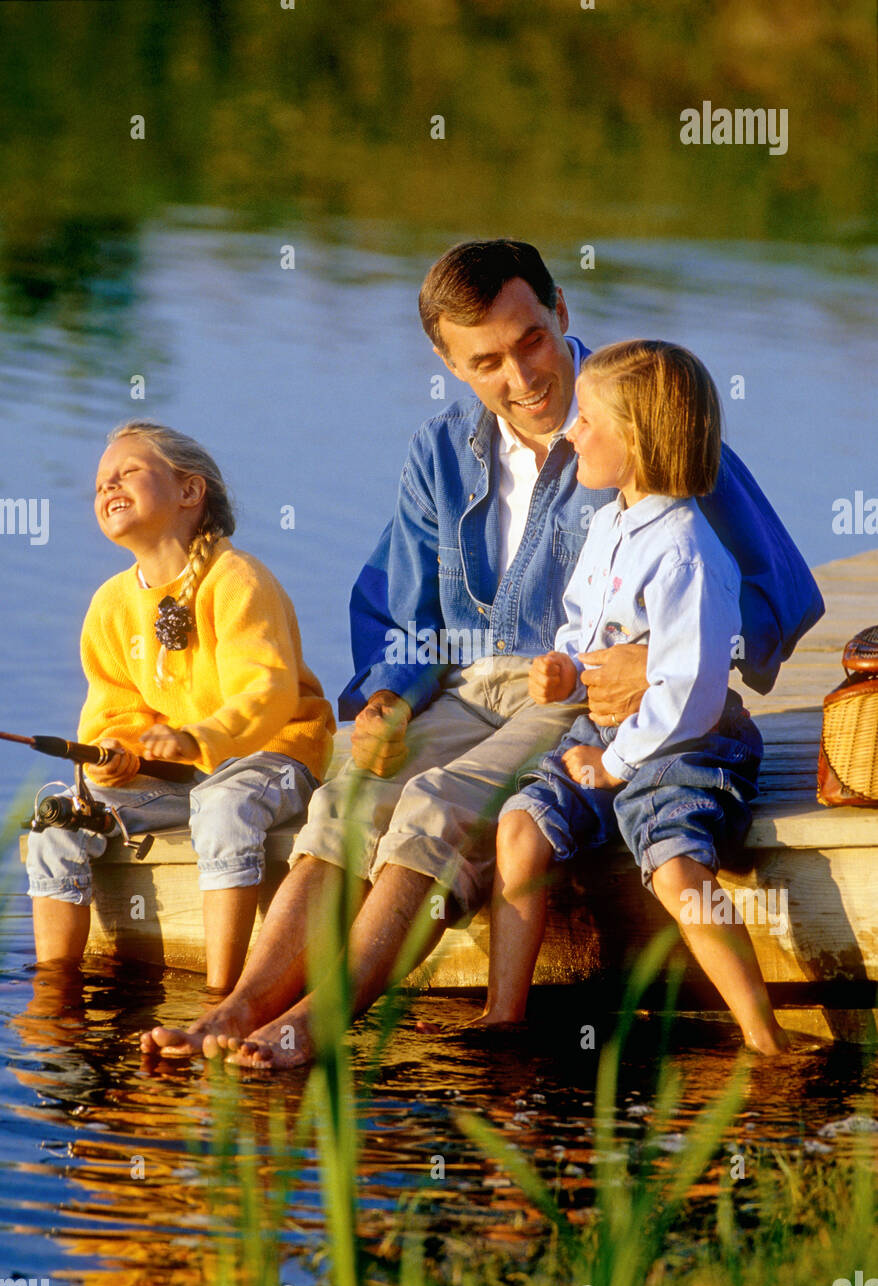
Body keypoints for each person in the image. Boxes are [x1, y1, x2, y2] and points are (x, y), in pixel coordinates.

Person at [141, 239, 821, 1069]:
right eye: (487, 361)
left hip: (578, 695)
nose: (523, 377)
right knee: (346, 798)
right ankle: (236, 1009)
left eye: (530, 339)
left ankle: (316, 1026)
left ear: (560, 311)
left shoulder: (637, 416)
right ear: (448, 361)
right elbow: (405, 612)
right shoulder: (439, 451)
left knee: (436, 803)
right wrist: (389, 695)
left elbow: (782, 594)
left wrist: (658, 658)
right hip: (466, 688)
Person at [461, 340, 789, 1054]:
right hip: (612, 734)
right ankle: (502, 1014)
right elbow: (588, 633)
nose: (571, 431)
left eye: (586, 419)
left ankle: (763, 1037)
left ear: (635, 439)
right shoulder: (610, 522)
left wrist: (617, 766)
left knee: (674, 862)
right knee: (518, 826)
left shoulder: (685, 551)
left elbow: (693, 689)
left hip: (691, 743)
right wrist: (565, 671)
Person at [27, 421, 335, 992]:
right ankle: (55, 991)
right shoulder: (110, 605)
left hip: (273, 753)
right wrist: (115, 754)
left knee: (222, 804)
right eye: (99, 485)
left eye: (127, 473)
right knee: (59, 823)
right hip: (179, 776)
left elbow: (267, 691)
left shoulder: (236, 579)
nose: (107, 489)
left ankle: (224, 992)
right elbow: (114, 715)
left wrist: (200, 739)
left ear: (190, 492)